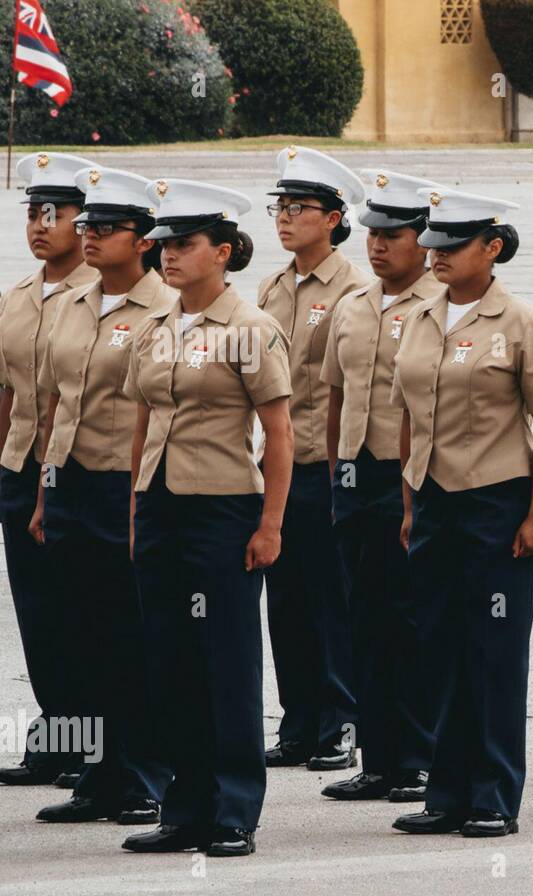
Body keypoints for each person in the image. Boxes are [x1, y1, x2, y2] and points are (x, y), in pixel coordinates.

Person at [391, 187, 533, 837]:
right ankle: (447, 792)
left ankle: (494, 794)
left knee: (492, 654)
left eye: (452, 246)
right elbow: (410, 417)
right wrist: (412, 503)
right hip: (435, 504)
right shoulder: (418, 319)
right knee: (439, 648)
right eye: (431, 244)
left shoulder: (522, 323)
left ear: (491, 249)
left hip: (498, 503)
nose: (434, 257)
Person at [121, 179, 293, 857]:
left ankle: (232, 810)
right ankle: (182, 805)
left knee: (224, 660)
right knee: (170, 659)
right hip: (161, 508)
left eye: (185, 244)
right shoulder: (155, 326)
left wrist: (271, 524)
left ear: (222, 252)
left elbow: (279, 434)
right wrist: (137, 505)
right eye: (163, 244)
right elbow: (142, 418)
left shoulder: (249, 330)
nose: (168, 255)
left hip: (222, 509)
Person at [29, 166, 176, 825]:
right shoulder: (70, 303)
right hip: (67, 487)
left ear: (145, 240)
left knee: (131, 636)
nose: (88, 236)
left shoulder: (167, 310)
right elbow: (51, 401)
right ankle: (97, 773)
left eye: (106, 228)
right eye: (86, 225)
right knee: (78, 635)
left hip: (127, 488)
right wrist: (43, 492)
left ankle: (143, 773)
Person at [319, 170, 442, 803]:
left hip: (411, 476)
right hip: (357, 475)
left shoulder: (438, 306)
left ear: (425, 237)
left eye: (393, 235)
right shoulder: (354, 306)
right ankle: (378, 757)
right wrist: (340, 466)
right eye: (372, 234)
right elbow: (336, 394)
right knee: (362, 617)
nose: (378, 246)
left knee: (412, 618)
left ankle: (419, 756)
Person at [258, 146, 367, 772]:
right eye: (281, 207)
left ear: (332, 217)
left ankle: (341, 720)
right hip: (279, 466)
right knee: (287, 598)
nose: (285, 218)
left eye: (299, 208)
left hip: (327, 462)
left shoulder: (354, 288)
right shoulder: (274, 286)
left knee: (333, 596)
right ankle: (297, 721)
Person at [0, 152, 97, 786]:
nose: (41, 225)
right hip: (18, 466)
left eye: (54, 214)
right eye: (34, 213)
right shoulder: (17, 298)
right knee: (37, 612)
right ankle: (58, 736)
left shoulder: (99, 297)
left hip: (76, 473)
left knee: (85, 611)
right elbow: (6, 391)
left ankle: (99, 742)